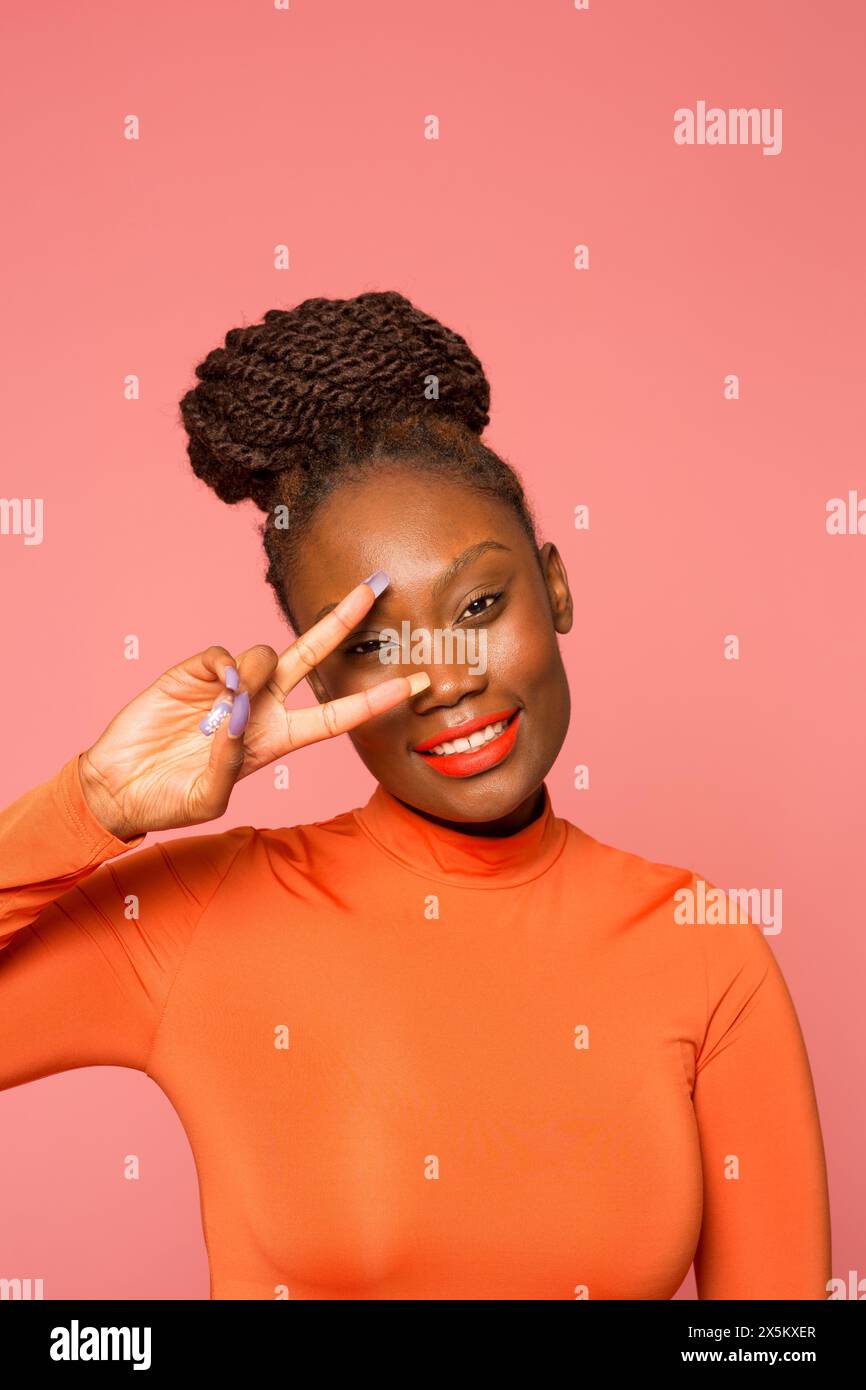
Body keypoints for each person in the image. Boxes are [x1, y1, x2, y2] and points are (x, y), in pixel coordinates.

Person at [0, 291, 831, 1300]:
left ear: (554, 586)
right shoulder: (205, 914)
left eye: (477, 605)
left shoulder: (702, 944)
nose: (442, 678)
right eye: (372, 646)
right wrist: (91, 803)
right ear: (317, 683)